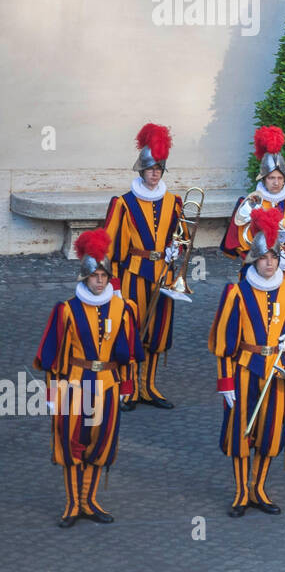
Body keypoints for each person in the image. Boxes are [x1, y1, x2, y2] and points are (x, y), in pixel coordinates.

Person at [208, 209, 285, 517]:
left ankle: (260, 488)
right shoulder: (236, 293)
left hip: (278, 372)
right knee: (242, 432)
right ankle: (241, 491)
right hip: (244, 369)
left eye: (273, 257)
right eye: (264, 257)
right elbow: (223, 343)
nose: (269, 262)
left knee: (270, 433)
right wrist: (225, 382)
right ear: (254, 259)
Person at [34, 229, 141, 527]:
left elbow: (129, 351)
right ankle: (72, 504)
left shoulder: (122, 308)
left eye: (104, 276)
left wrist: (127, 386)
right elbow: (53, 360)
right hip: (74, 385)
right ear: (85, 278)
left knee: (100, 442)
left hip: (108, 384)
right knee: (72, 442)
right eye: (95, 276)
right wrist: (53, 396)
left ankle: (89, 500)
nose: (100, 281)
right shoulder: (66, 310)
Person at [102, 123, 189, 409]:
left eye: (159, 169)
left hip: (163, 275)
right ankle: (128, 388)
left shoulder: (174, 202)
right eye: (150, 168)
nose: (155, 173)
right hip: (133, 275)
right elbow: (108, 247)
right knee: (131, 331)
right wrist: (113, 285)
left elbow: (183, 238)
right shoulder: (123, 204)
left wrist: (179, 248)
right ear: (141, 170)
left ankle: (148, 386)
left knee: (157, 332)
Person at [220, 125, 285, 272]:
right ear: (263, 179)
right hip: (255, 268)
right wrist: (261, 260)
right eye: (271, 178)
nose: (276, 182)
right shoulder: (250, 202)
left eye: (280, 178)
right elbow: (239, 241)